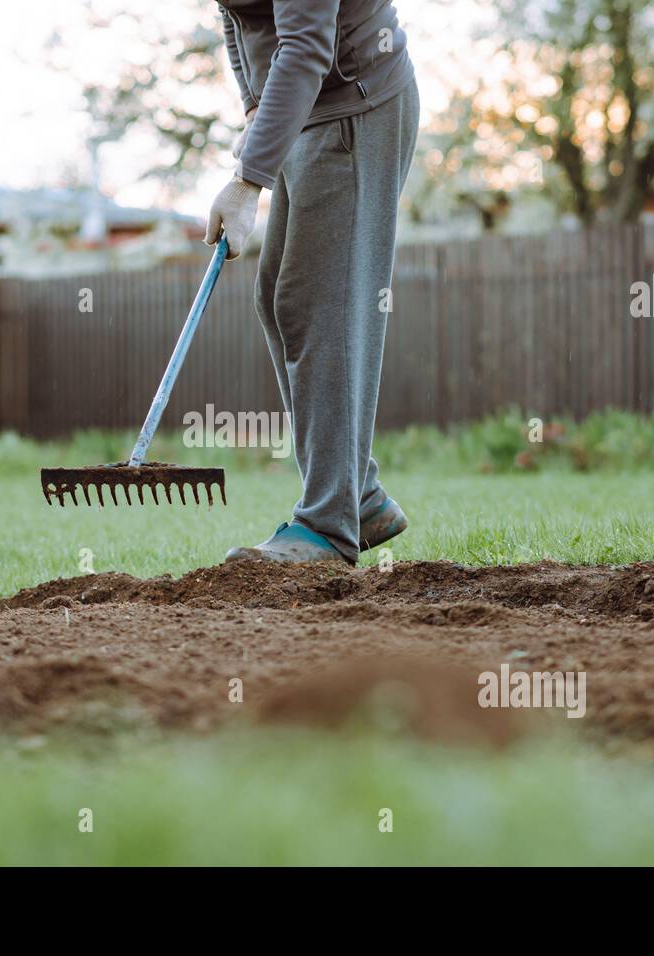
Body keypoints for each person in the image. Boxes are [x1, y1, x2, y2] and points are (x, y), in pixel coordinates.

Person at [207, 0, 419, 565]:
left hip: (355, 104)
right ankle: (361, 497)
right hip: (308, 112)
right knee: (279, 298)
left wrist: (247, 181)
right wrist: (254, 106)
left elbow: (305, 46)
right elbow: (235, 16)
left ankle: (327, 525)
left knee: (320, 306)